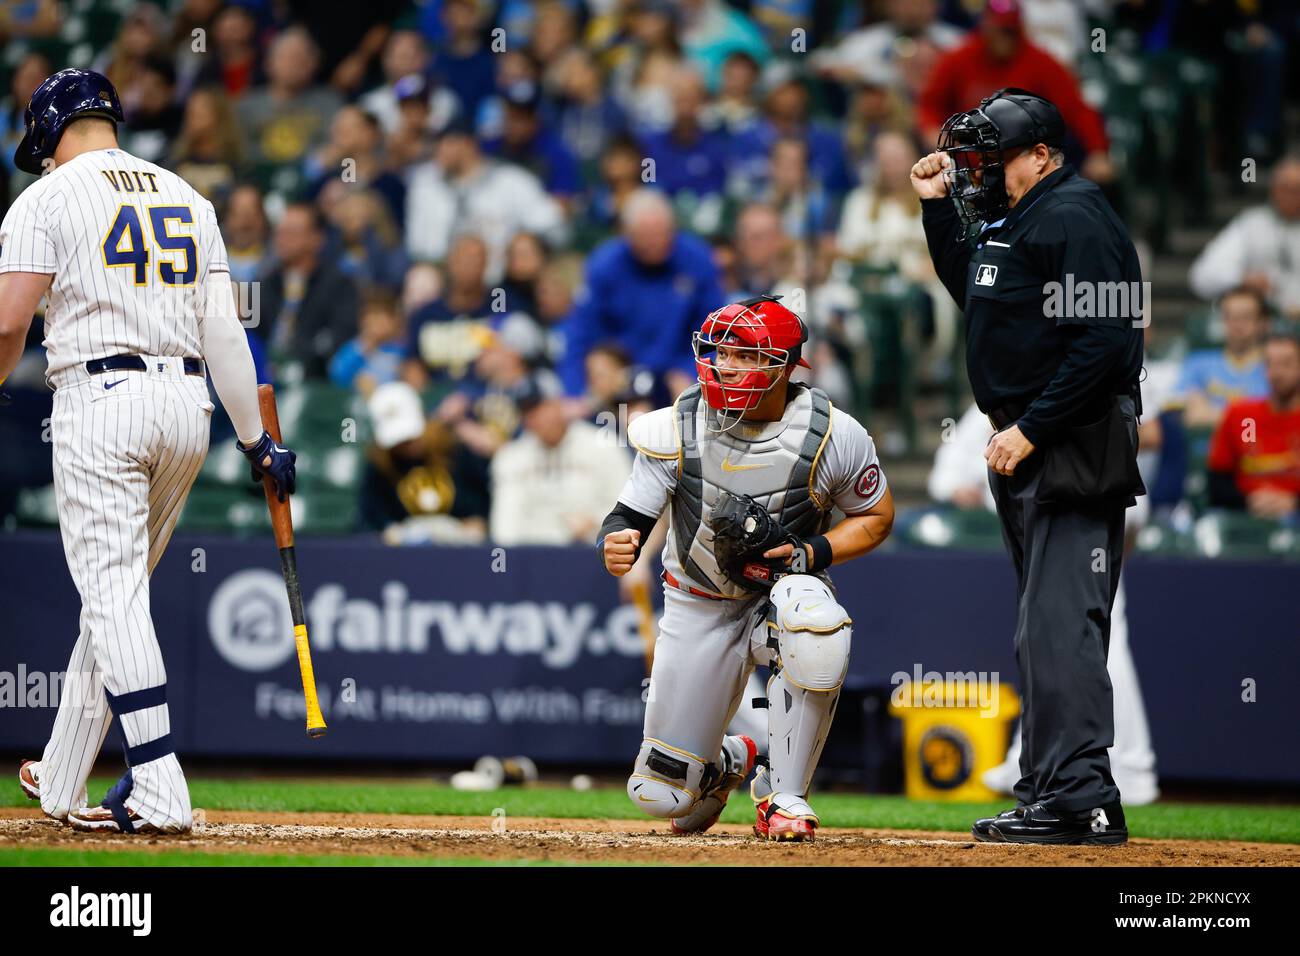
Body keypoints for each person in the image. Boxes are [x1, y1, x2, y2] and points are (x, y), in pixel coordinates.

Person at [0, 69, 296, 835]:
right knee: (118, 595)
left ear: (47, 135)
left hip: (101, 404)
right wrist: (256, 440)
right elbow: (225, 335)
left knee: (114, 596)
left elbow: (7, 326)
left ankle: (159, 786)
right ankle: (63, 777)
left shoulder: (46, 197)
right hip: (186, 408)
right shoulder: (187, 196)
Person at [913, 88, 1144, 844]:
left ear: (1041, 155)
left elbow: (1107, 339)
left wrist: (1034, 429)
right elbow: (978, 297)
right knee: (1039, 630)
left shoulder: (1076, 214)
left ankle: (1081, 797)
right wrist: (940, 208)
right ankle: (1052, 788)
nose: (980, 170)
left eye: (992, 158)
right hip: (1029, 444)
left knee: (1060, 627)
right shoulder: (1022, 217)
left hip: (1072, 444)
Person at [598, 295, 895, 841]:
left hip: (779, 593)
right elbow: (628, 514)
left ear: (783, 365)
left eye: (743, 354)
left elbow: (875, 516)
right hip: (697, 603)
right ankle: (730, 761)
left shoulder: (833, 433)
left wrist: (813, 553)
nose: (724, 364)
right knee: (663, 799)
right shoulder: (675, 425)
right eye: (720, 351)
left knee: (817, 628)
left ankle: (785, 799)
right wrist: (616, 541)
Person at [916, 0, 1113, 184]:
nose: (1003, 38)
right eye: (998, 30)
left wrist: (1098, 151)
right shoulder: (960, 58)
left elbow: (1076, 109)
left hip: (1026, 170)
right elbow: (930, 103)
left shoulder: (1040, 62)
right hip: (968, 168)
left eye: (1009, 31)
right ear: (985, 26)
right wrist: (932, 130)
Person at [559, 189, 725, 395]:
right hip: (619, 374)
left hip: (679, 372)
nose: (654, 242)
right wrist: (575, 392)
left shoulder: (698, 259)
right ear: (627, 234)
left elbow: (715, 331)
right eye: (645, 235)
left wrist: (691, 371)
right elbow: (581, 333)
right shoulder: (604, 266)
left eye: (661, 233)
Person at [490, 372, 631, 546]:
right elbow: (506, 526)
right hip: (532, 558)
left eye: (540, 408)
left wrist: (596, 522)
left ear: (559, 404)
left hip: (594, 554)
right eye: (527, 413)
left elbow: (628, 509)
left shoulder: (604, 445)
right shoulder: (511, 458)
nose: (534, 419)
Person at [1189, 155, 1300, 321]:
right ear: (1273, 190)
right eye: (1285, 188)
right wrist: (1243, 279)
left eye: (1296, 190)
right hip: (1266, 329)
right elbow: (1202, 276)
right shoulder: (1252, 223)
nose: (1291, 196)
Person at [259, 201, 362, 379]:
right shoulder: (265, 284)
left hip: (315, 377)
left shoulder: (339, 285)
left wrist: (300, 356)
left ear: (317, 239)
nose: (282, 239)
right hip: (264, 375)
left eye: (292, 233)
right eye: (280, 232)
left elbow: (339, 336)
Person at [1206, 331, 1300, 521]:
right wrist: (1249, 501)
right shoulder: (1239, 413)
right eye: (1269, 364)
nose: (1276, 373)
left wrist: (1293, 502)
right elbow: (1217, 483)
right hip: (1245, 516)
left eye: (1286, 364)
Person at [1173, 286, 1270, 430]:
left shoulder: (1274, 366)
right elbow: (1187, 415)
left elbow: (1273, 419)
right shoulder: (1198, 362)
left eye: (1246, 317)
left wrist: (1213, 414)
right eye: (1230, 317)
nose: (1237, 325)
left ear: (1262, 323)